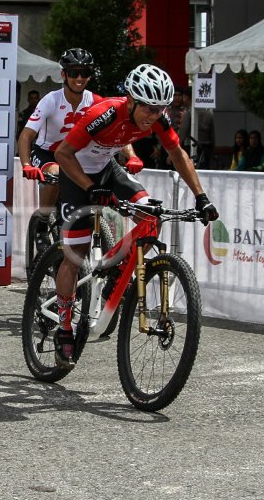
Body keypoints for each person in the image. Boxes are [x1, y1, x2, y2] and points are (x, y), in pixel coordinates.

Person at [51, 63, 218, 368]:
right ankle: (63, 328)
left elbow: (178, 154)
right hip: (76, 175)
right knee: (74, 256)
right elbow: (62, 153)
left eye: (160, 109)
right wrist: (90, 188)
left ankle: (116, 273)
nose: (153, 116)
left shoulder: (159, 119)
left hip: (107, 169)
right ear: (130, 100)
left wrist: (201, 197)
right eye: (148, 108)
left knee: (151, 215)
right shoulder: (105, 113)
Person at [18, 48, 140, 221]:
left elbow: (118, 132)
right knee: (57, 173)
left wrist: (132, 156)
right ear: (63, 75)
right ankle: (43, 222)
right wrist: (26, 164)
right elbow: (26, 135)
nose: (79, 78)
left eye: (85, 73)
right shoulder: (51, 100)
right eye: (74, 73)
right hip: (47, 153)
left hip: (77, 155)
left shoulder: (96, 101)